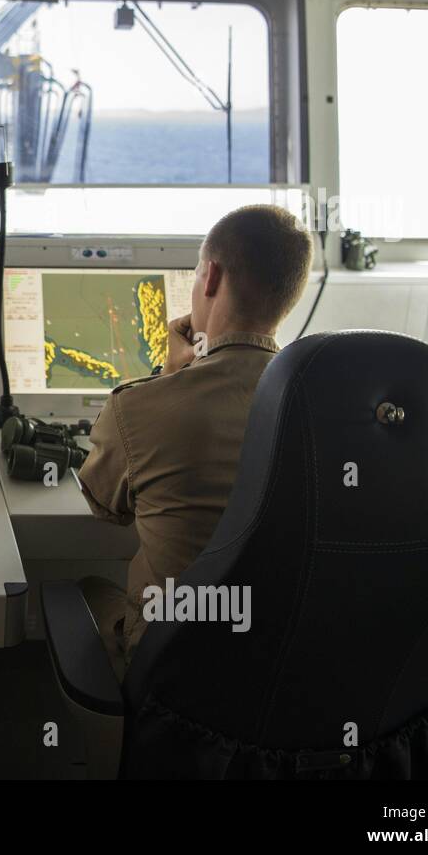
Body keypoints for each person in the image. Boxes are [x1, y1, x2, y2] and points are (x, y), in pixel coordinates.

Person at [76, 205, 314, 676]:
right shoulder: (325, 401)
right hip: (296, 669)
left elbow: (106, 510)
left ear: (211, 277)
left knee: (86, 591)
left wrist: (165, 380)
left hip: (181, 672)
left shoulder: (137, 409)